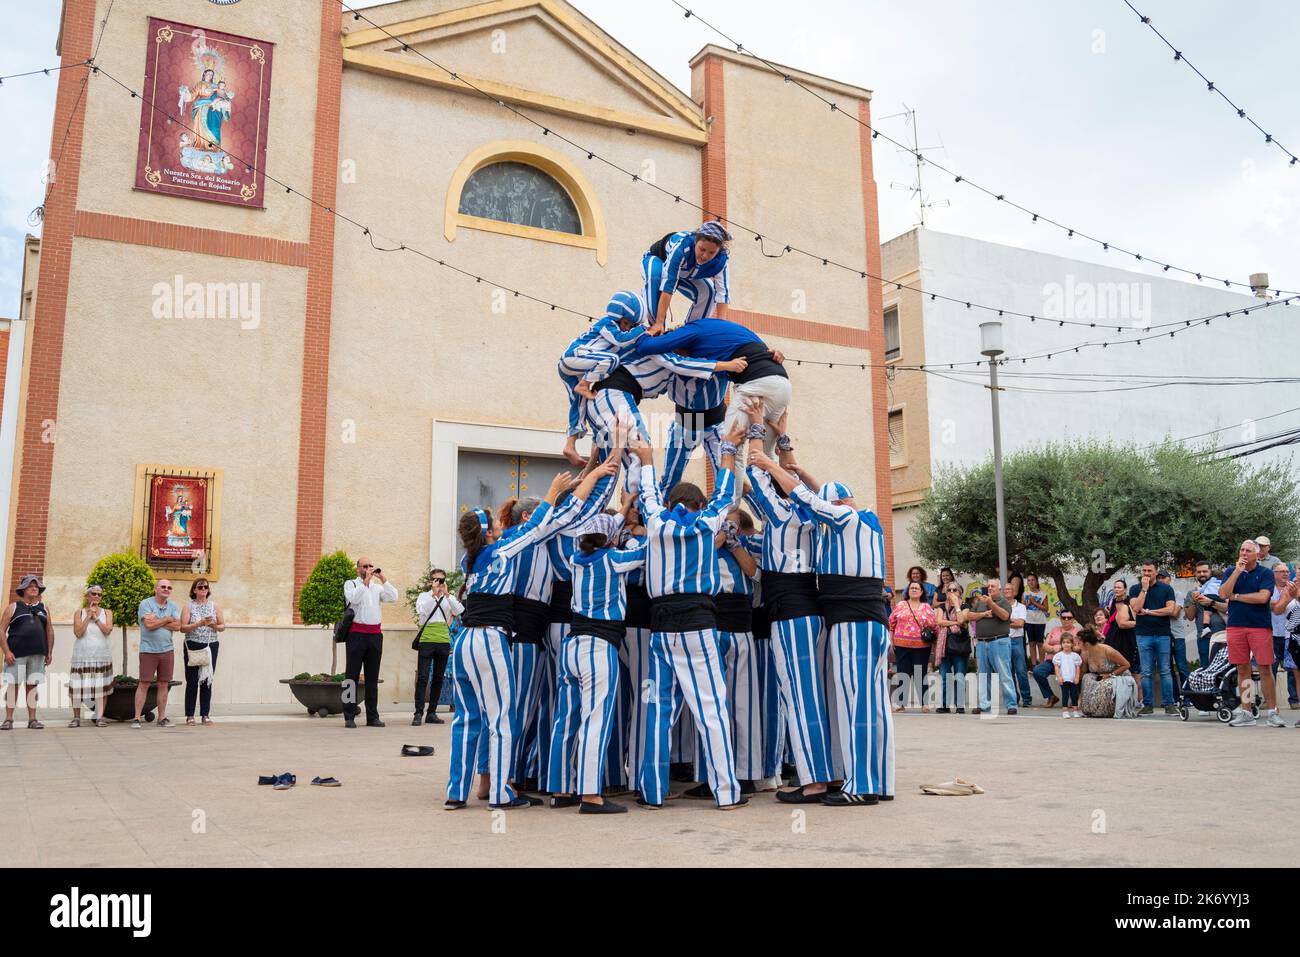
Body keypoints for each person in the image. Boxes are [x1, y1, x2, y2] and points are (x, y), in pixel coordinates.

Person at [445, 462, 617, 811]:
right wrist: (576, 485)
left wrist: (590, 470)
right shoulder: (509, 546)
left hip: (468, 639)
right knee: (507, 716)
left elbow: (558, 517)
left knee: (470, 717)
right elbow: (558, 516)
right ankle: (499, 787)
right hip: (506, 637)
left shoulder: (471, 557)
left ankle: (461, 790)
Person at [753, 447, 892, 806]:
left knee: (850, 703)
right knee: (867, 703)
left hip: (849, 621)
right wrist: (788, 453)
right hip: (866, 621)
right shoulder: (866, 520)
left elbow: (807, 499)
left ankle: (858, 787)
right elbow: (817, 499)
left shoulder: (838, 519)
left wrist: (766, 459)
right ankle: (876, 781)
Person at [632, 418, 749, 811]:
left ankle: (651, 792)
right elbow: (727, 493)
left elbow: (647, 492)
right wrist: (729, 450)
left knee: (657, 710)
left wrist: (646, 456)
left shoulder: (655, 522)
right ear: (699, 505)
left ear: (669, 504)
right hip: (699, 625)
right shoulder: (706, 522)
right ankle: (727, 793)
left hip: (662, 626)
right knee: (711, 709)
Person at [742, 424, 833, 804]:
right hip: (806, 610)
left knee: (799, 696)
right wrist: (783, 437)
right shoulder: (810, 514)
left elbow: (753, 472)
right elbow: (794, 477)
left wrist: (757, 431)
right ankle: (822, 773)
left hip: (791, 614)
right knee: (807, 694)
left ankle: (814, 781)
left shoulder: (782, 515)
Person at [548, 527, 646, 814]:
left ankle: (560, 789)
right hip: (598, 646)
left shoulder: (576, 560)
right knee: (596, 720)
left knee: (564, 720)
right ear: (610, 538)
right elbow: (644, 552)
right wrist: (632, 536)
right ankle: (590, 795)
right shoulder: (612, 558)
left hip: (572, 643)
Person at [630, 315, 791, 457]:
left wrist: (769, 355)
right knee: (672, 477)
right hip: (686, 419)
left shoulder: (713, 351)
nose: (679, 355)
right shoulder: (687, 363)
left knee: (730, 454)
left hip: (714, 418)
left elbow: (748, 352)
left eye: (680, 351)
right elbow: (682, 364)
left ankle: (746, 490)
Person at [557, 290, 650, 466]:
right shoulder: (607, 324)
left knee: (579, 403)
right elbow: (621, 339)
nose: (627, 328)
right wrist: (644, 330)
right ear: (618, 317)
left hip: (576, 367)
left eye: (630, 325)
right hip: (572, 357)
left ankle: (570, 444)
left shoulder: (615, 327)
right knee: (611, 359)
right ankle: (584, 385)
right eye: (626, 323)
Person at [1219, 540, 1285, 727]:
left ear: (1257, 554)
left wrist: (1237, 597)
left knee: (1265, 668)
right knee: (1242, 669)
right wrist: (1237, 573)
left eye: (1248, 550)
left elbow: (1263, 597)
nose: (1244, 553)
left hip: (1259, 626)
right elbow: (1223, 593)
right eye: (1242, 550)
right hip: (1235, 626)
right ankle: (1246, 712)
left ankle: (1273, 712)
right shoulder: (1231, 571)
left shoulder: (1265, 573)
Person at [643, 221, 732, 334]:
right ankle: (656, 328)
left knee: (709, 291)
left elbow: (723, 294)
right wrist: (659, 322)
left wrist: (721, 329)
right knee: (656, 277)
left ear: (718, 251)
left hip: (686, 273)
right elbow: (668, 286)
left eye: (711, 252)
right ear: (695, 241)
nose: (705, 256)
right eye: (702, 249)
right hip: (659, 259)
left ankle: (691, 334)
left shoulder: (721, 261)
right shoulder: (682, 248)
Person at [343, 559, 398, 729]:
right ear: (358, 568)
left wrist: (382, 578)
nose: (368, 569)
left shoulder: (377, 588)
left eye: (370, 566)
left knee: (372, 678)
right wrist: (365, 582)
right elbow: (354, 599)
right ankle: (349, 716)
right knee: (351, 677)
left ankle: (372, 716)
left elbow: (393, 597)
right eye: (364, 566)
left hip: (375, 636)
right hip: (356, 635)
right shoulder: (351, 584)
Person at [0, 575, 55, 730]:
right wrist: (7, 651)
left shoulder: (44, 608)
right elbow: (1, 631)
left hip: (38, 653)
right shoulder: (13, 607)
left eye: (36, 586)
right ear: (23, 589)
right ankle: (8, 719)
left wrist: (49, 651)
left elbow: (49, 630)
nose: (34, 588)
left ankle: (32, 719)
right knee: (13, 686)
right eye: (30, 586)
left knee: (32, 686)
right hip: (16, 654)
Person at [1127, 561, 1179, 716]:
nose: (1146, 573)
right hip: (1143, 635)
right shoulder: (1135, 589)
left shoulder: (1166, 589)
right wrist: (1144, 590)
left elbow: (1170, 609)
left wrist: (1149, 612)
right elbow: (1136, 608)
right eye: (1144, 570)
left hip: (1163, 634)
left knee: (1165, 670)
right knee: (1146, 671)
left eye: (1150, 570)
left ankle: (1169, 704)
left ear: (1156, 572)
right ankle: (1148, 705)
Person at [413, 569, 463, 726]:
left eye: (441, 580)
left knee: (438, 678)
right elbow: (422, 611)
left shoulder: (449, 597)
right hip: (427, 640)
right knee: (422, 677)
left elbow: (459, 611)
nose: (438, 583)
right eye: (435, 580)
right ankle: (418, 713)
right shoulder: (424, 597)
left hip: (443, 640)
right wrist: (433, 595)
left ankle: (432, 713)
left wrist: (447, 595)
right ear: (431, 581)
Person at [135, 579, 180, 728]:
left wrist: (158, 620)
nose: (166, 589)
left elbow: (178, 626)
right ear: (156, 589)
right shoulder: (146, 604)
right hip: (148, 650)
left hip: (167, 650)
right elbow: (148, 625)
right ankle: (136, 718)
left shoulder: (173, 606)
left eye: (169, 587)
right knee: (144, 683)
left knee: (163, 684)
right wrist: (167, 619)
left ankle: (162, 718)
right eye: (163, 586)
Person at [179, 578, 224, 725]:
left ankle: (205, 714)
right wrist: (198, 623)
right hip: (193, 644)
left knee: (207, 680)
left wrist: (213, 625)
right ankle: (190, 715)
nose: (204, 589)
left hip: (211, 644)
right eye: (200, 587)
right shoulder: (188, 607)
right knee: (192, 681)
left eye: (206, 587)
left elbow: (222, 626)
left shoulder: (214, 606)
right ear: (194, 590)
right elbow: (182, 628)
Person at [969, 579, 1016, 715]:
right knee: (983, 675)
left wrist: (991, 604)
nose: (989, 588)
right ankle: (984, 704)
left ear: (999, 589)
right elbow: (969, 615)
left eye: (993, 586)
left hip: (999, 641)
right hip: (982, 643)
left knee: (1005, 674)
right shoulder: (980, 602)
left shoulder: (1004, 602)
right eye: (988, 586)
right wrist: (983, 613)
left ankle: (1011, 705)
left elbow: (1005, 616)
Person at [70, 584, 114, 727]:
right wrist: (88, 616)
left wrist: (96, 618)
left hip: (101, 655)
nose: (96, 597)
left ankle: (99, 717)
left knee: (101, 687)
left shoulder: (107, 612)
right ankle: (76, 718)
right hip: (82, 655)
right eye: (93, 594)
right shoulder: (79, 613)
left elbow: (107, 630)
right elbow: (78, 632)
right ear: (87, 596)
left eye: (99, 594)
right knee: (78, 687)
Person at [888, 581, 935, 712]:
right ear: (908, 591)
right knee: (903, 673)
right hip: (901, 645)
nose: (914, 590)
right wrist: (891, 641)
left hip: (922, 647)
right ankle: (899, 703)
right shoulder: (901, 605)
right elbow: (891, 623)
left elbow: (934, 626)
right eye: (911, 588)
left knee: (920, 674)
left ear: (921, 592)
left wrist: (934, 643)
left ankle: (924, 704)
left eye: (916, 588)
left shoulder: (926, 607)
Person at [1078, 626, 1138, 719]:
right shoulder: (1085, 653)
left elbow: (1126, 665)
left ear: (1086, 644)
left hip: (1118, 676)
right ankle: (1089, 709)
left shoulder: (1107, 650)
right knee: (1087, 678)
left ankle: (1106, 710)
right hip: (1101, 676)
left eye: (1079, 642)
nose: (1078, 644)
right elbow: (1083, 671)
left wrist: (1110, 675)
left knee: (1106, 685)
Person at [1031, 609, 1080, 706]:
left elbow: (1079, 648)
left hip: (1069, 662)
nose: (1066, 619)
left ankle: (1074, 699)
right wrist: (1053, 648)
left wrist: (1064, 648)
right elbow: (1044, 646)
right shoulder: (1054, 629)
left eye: (1069, 618)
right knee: (1037, 671)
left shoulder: (1077, 632)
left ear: (1073, 619)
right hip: (1052, 660)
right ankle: (1051, 696)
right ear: (1060, 619)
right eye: (1063, 617)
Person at [933, 582, 970, 713]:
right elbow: (939, 622)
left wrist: (956, 606)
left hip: (960, 647)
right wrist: (956, 623)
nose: (952, 592)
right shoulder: (942, 607)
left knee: (959, 677)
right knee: (944, 677)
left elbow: (962, 619)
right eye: (949, 590)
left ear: (960, 592)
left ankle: (960, 705)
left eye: (955, 590)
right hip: (944, 648)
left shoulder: (965, 606)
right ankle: (944, 705)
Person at [1103, 579, 1140, 703]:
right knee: (1115, 668)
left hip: (1128, 638)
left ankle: (1138, 700)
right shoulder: (1112, 602)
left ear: (1125, 589)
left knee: (1133, 668)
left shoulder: (1130, 602)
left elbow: (1133, 620)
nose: (1116, 589)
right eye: (1115, 587)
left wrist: (1136, 625)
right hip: (1114, 639)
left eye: (1119, 587)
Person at [1268, 564, 1299, 711]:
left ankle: (1294, 699)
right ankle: (1270, 701)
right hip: (1278, 634)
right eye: (1282, 572)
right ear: (1274, 573)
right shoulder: (1272, 588)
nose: (1286, 574)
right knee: (1274, 668)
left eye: (1288, 571)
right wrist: (1287, 598)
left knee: (1294, 673)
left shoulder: (1291, 587)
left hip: (1290, 635)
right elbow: (1277, 609)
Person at [1185, 561, 1227, 668]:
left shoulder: (1222, 589)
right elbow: (1189, 617)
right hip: (1204, 638)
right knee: (1206, 669)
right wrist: (1194, 601)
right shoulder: (1192, 593)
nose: (1202, 574)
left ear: (1210, 572)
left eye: (1205, 571)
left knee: (1225, 671)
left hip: (1223, 636)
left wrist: (1211, 602)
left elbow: (1229, 608)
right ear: (1195, 574)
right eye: (1199, 572)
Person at [1006, 585, 1032, 707]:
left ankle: (1026, 699)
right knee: (1008, 672)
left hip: (1017, 640)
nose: (1006, 591)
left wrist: (1005, 621)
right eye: (1004, 590)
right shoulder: (1000, 606)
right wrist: (1012, 621)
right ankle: (1013, 698)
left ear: (1014, 592)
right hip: (1004, 640)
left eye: (1009, 589)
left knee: (1021, 671)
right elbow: (1012, 623)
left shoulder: (1021, 607)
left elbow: (1020, 624)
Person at [1053, 634, 1083, 718]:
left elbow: (1077, 668)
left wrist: (1077, 677)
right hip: (1064, 678)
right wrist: (1059, 676)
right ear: (1061, 644)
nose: (1066, 644)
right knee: (1065, 694)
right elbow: (1056, 667)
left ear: (1072, 644)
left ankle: (1075, 710)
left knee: (1074, 695)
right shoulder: (1059, 656)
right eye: (1064, 642)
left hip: (1072, 678)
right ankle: (1065, 711)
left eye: (1068, 642)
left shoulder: (1075, 656)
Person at [1023, 573, 1049, 665]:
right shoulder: (1025, 594)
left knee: (1040, 643)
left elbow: (1046, 608)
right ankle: (1034, 665)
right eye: (1029, 580)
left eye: (1033, 580)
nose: (1031, 582)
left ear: (1037, 581)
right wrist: (1029, 603)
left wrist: (1034, 602)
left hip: (1040, 621)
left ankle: (1042, 664)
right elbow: (1022, 608)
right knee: (1031, 643)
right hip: (1028, 621)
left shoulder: (1043, 594)